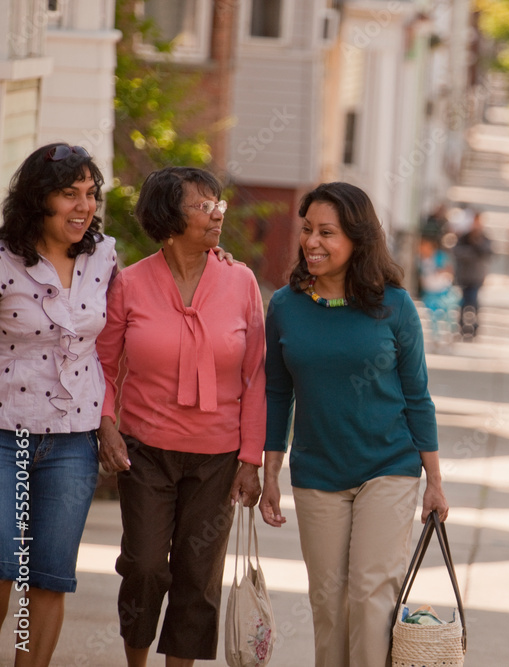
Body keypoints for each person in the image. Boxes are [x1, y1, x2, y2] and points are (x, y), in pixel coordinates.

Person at [259, 182, 448, 667]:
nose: (312, 242)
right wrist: (269, 473)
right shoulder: (285, 307)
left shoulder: (395, 306)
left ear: (358, 239)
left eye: (327, 232)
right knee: (328, 602)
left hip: (388, 465)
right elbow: (278, 394)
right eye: (307, 230)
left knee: (369, 594)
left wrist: (435, 481)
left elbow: (417, 396)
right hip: (318, 471)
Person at [95, 167, 265, 666]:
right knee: (145, 567)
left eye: (218, 204)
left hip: (217, 458)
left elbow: (257, 375)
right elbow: (103, 364)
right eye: (201, 205)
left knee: (198, 575)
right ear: (169, 217)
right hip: (145, 453)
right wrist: (106, 424)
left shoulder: (241, 281)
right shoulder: (129, 283)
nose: (216, 214)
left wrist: (251, 458)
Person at [0, 143, 117, 666]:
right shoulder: (3, 257)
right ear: (37, 199)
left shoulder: (105, 256)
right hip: (5, 434)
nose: (83, 206)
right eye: (69, 194)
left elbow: (148, 306)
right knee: (3, 565)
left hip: (73, 440)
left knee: (48, 575)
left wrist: (213, 260)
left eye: (90, 194)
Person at [452, 209, 492, 339]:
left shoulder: (483, 238)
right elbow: (457, 252)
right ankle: (462, 325)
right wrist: (472, 253)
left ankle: (473, 326)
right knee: (464, 302)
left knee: (473, 302)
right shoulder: (463, 237)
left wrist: (477, 243)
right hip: (464, 276)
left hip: (476, 276)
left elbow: (487, 253)